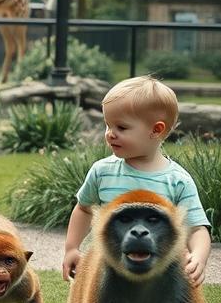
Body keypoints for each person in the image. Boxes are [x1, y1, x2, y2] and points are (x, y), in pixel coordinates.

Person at [61, 76, 212, 287]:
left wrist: (198, 256)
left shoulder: (177, 182)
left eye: (121, 128)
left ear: (156, 130)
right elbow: (84, 209)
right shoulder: (102, 172)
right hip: (108, 276)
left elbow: (196, 229)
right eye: (107, 125)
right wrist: (72, 248)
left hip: (158, 280)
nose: (110, 134)